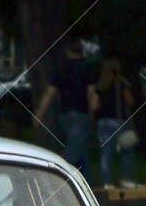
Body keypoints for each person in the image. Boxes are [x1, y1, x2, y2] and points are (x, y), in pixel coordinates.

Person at [34, 42, 93, 176]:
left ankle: (84, 178)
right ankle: (61, 172)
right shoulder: (87, 68)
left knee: (80, 147)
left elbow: (50, 93)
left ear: (68, 52)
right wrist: (92, 112)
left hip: (66, 113)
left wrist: (39, 114)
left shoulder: (62, 69)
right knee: (76, 147)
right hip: (81, 113)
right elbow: (91, 92)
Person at [93, 56, 138, 188]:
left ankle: (107, 182)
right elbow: (130, 101)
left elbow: (95, 105)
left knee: (106, 153)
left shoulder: (100, 85)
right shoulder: (121, 83)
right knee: (127, 151)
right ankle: (126, 179)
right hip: (119, 121)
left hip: (103, 122)